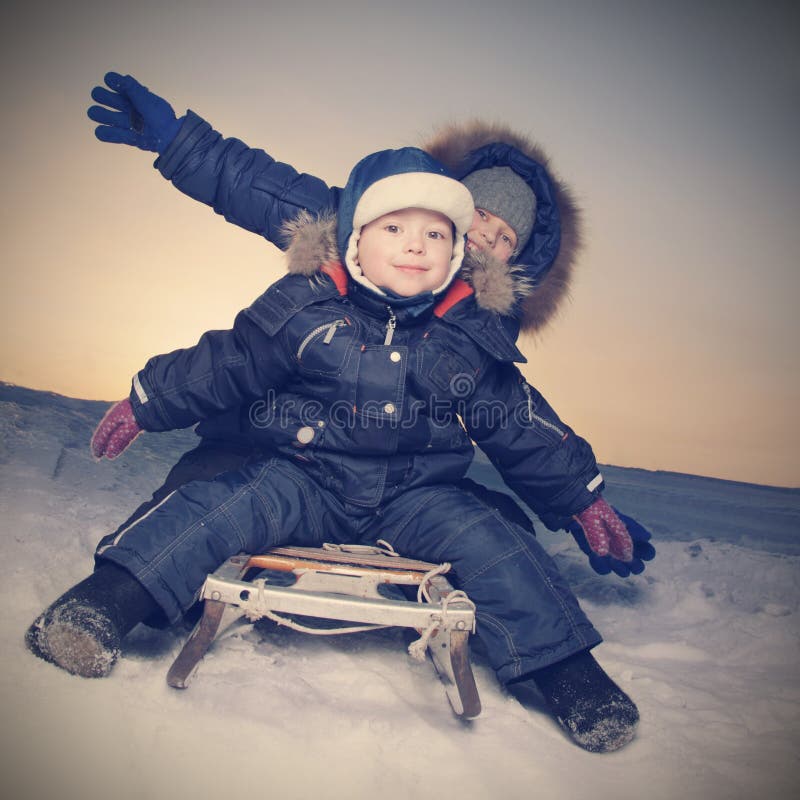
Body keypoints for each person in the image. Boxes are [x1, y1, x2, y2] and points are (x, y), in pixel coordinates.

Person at [27, 145, 649, 753]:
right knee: (215, 505)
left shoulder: (469, 336)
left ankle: (568, 673)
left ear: (457, 253)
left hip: (416, 493)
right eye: (396, 229)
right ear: (354, 240)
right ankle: (102, 605)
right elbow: (229, 362)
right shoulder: (308, 307)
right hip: (303, 473)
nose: (415, 245)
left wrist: (580, 498)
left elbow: (519, 421)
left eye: (436, 237)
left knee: (495, 540)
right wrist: (148, 400)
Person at [85, 73, 652, 580]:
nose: (485, 239)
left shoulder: (475, 326)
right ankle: (138, 580)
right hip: (274, 442)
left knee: (495, 523)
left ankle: (426, 586)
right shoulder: (363, 222)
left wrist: (579, 497)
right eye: (480, 216)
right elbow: (260, 188)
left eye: (506, 238)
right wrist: (179, 143)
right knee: (209, 489)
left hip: (389, 480)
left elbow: (509, 415)